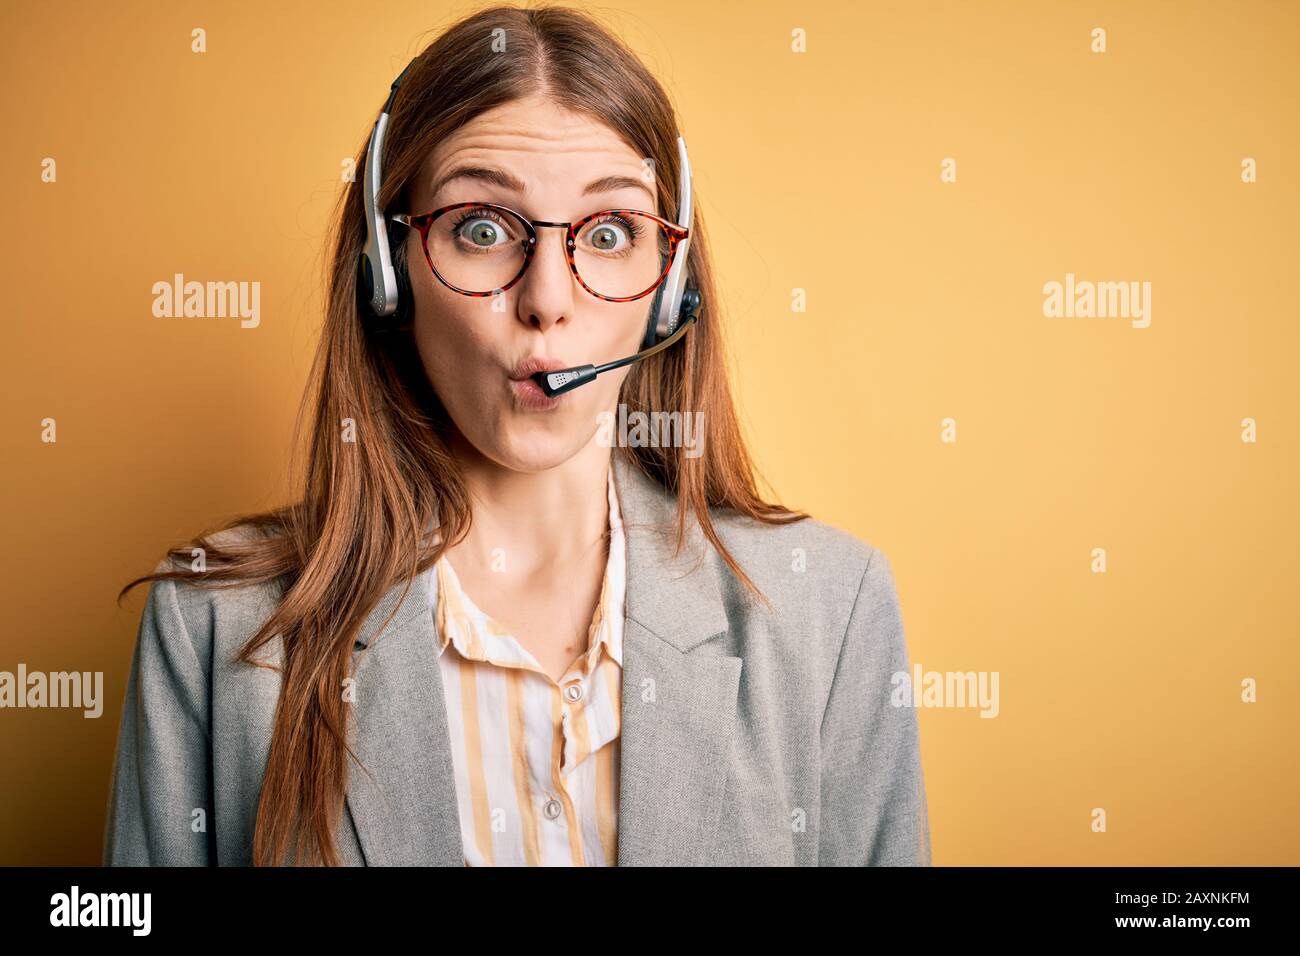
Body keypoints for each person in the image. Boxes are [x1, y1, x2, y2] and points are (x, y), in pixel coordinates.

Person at [103, 3, 930, 867]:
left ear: (669, 287)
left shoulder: (833, 610)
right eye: (483, 229)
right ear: (387, 274)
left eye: (608, 234)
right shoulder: (211, 626)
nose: (547, 299)